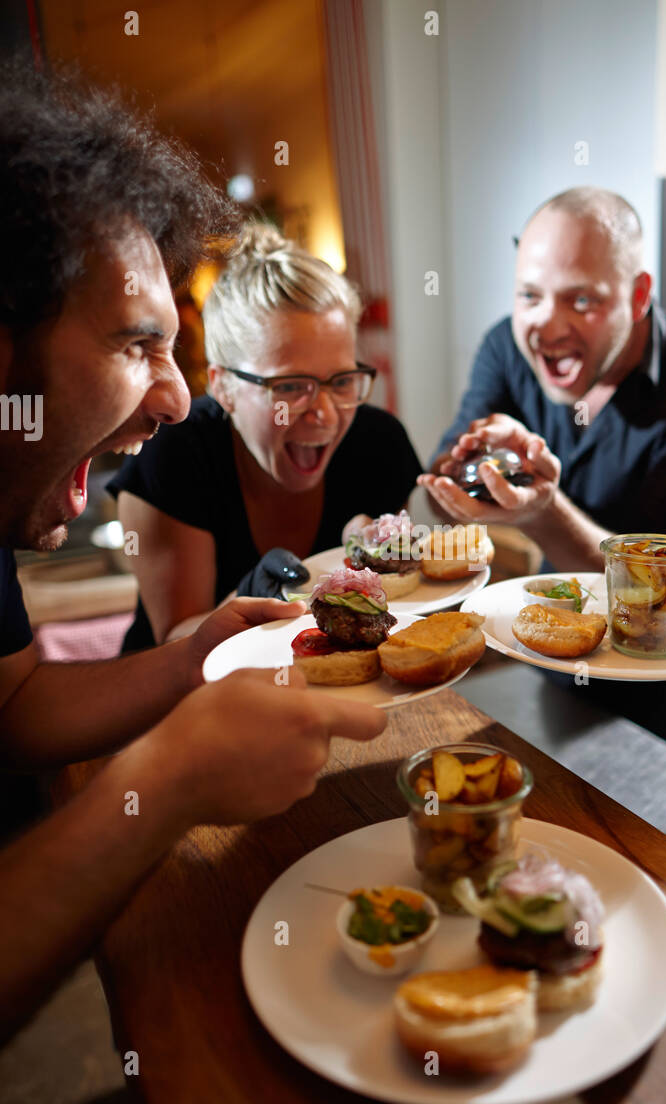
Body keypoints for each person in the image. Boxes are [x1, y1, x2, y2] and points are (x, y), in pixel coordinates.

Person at [0, 63, 385, 1043]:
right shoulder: (182, 464)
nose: (174, 401)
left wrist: (189, 657)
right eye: (137, 344)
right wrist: (165, 780)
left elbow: (14, 706)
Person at [109, 222, 423, 648]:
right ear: (223, 386)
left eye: (342, 380)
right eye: (290, 386)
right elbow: (173, 642)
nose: (325, 413)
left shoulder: (379, 444)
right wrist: (245, 599)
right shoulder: (174, 452)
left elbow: (406, 607)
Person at [418, 187, 666, 569]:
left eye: (582, 300)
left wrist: (542, 509)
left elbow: (658, 583)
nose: (548, 328)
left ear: (638, 297)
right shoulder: (505, 346)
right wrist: (478, 461)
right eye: (529, 296)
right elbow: (439, 501)